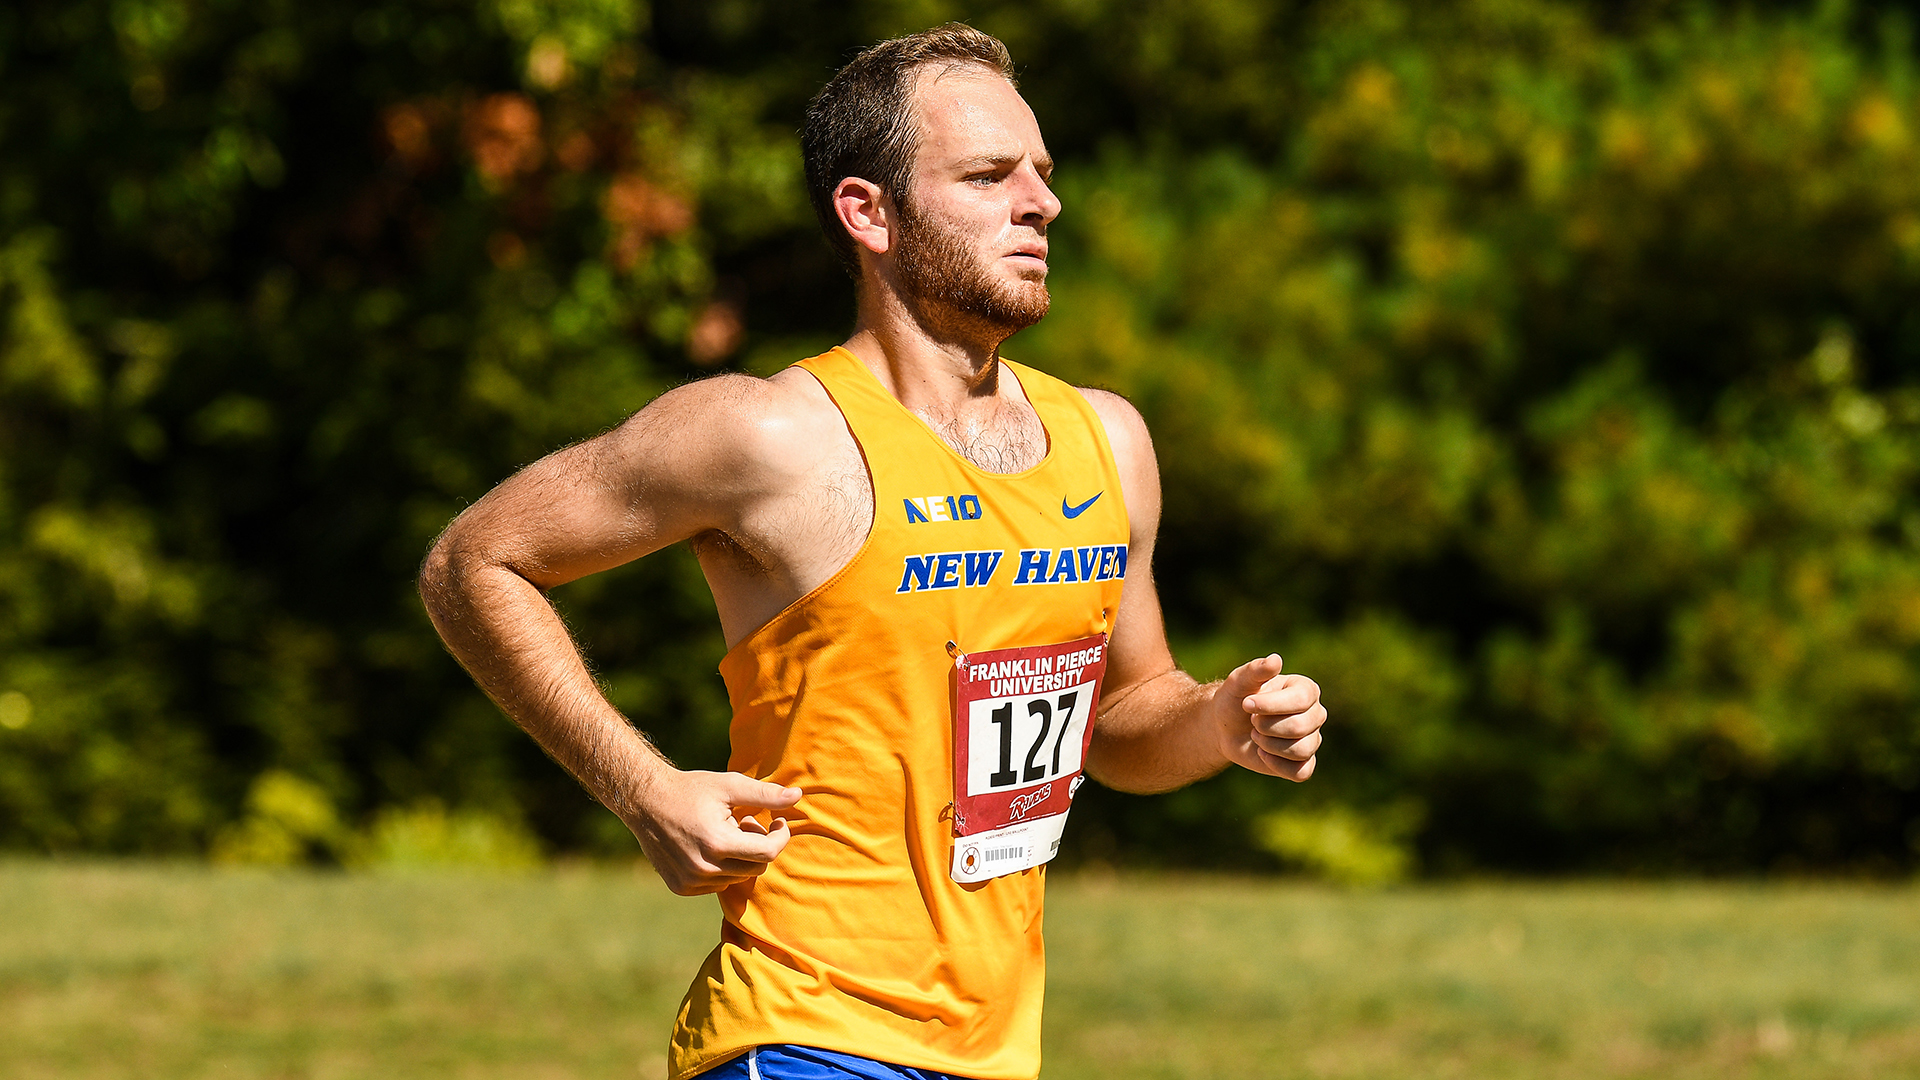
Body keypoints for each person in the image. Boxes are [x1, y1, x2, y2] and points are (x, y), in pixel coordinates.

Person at [418, 22, 1326, 1080]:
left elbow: (1122, 718)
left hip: (992, 1050)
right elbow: (473, 561)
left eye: (1042, 172)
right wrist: (643, 789)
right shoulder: (768, 435)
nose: (1042, 202)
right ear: (869, 213)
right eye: (989, 175)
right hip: (802, 1031)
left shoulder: (1108, 441)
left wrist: (1216, 722)